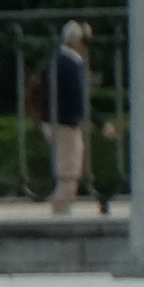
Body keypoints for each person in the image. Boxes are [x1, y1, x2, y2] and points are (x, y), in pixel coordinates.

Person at [44, 18, 95, 213]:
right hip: (67, 123)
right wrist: (93, 120)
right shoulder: (71, 64)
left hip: (53, 121)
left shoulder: (56, 59)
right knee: (70, 168)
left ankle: (61, 205)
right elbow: (78, 96)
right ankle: (61, 208)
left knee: (64, 165)